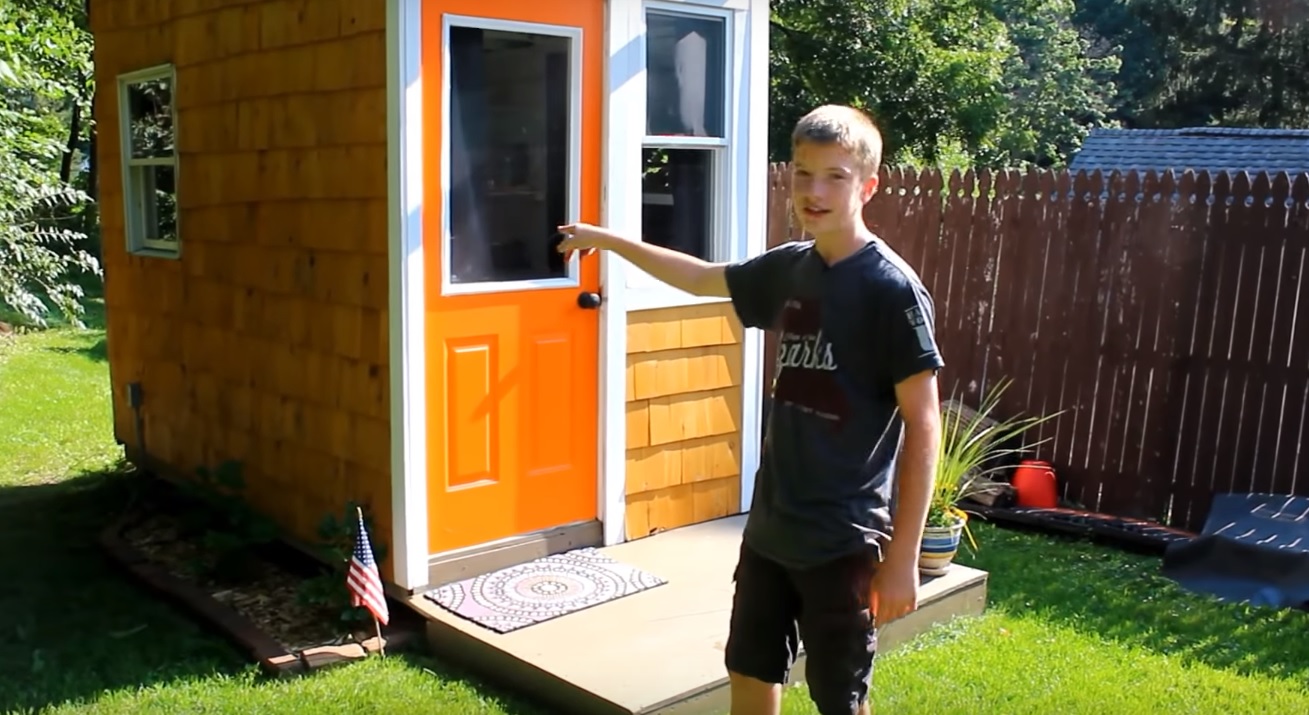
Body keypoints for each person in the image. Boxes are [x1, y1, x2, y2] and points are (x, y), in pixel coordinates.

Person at [556, 104, 943, 715]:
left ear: (867, 186)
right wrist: (606, 239)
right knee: (750, 672)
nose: (814, 191)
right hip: (770, 529)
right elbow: (702, 277)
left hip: (841, 538)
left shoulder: (891, 289)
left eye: (835, 176)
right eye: (802, 174)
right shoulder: (789, 267)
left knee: (839, 699)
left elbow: (924, 424)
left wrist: (903, 559)